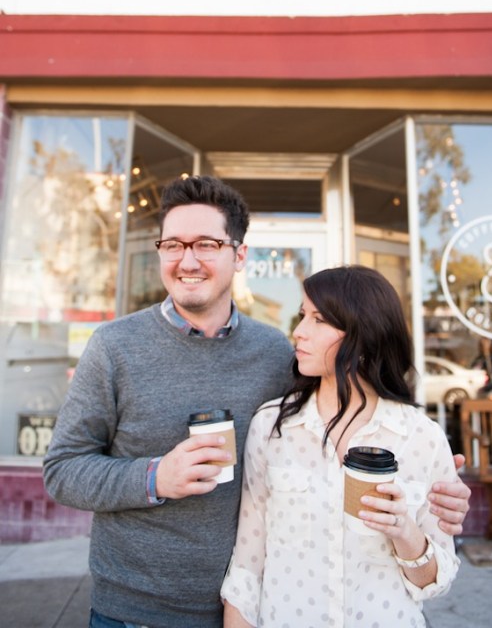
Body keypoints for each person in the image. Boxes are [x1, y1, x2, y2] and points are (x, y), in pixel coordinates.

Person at [43, 176, 469, 628]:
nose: (187, 260)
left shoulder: (276, 354)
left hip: (256, 609)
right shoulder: (113, 347)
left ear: (240, 255)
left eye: (206, 244)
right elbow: (62, 470)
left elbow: (334, 434)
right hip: (135, 611)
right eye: (173, 245)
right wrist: (155, 477)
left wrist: (432, 489)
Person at [222, 266, 461, 628]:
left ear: (364, 333)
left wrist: (404, 532)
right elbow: (247, 563)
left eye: (318, 320)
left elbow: (434, 583)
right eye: (302, 316)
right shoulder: (272, 427)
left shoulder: (422, 438)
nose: (298, 331)